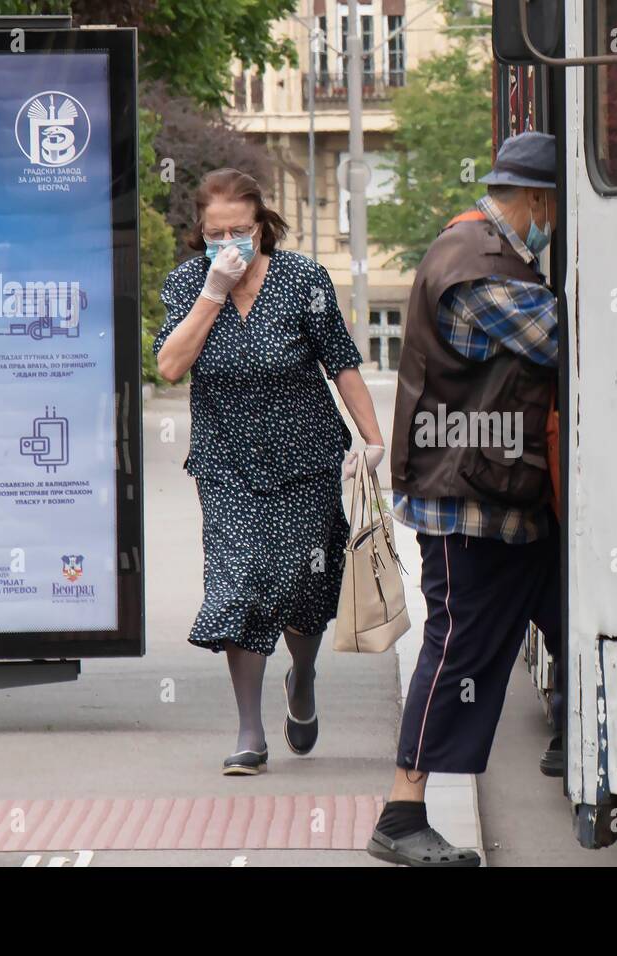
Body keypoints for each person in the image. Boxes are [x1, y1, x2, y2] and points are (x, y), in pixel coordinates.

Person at [367, 132, 563, 866]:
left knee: (575, 616)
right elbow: (565, 338)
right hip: (467, 498)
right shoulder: (477, 268)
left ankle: (582, 741)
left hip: (505, 497)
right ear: (539, 200)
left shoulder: (488, 250)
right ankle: (400, 812)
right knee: (455, 649)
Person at [154, 168, 385, 775]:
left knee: (305, 589)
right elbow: (171, 366)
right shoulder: (186, 286)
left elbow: (342, 362)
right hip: (227, 463)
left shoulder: (301, 279)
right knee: (239, 583)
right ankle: (249, 731)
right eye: (215, 231)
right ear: (199, 233)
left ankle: (302, 677)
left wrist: (373, 437)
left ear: (261, 226)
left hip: (306, 458)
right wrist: (213, 291)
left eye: (239, 230)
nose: (227, 240)